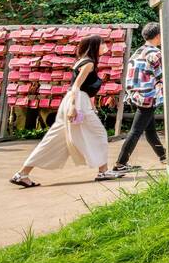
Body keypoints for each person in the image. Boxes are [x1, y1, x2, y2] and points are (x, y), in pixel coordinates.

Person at [10, 34, 113, 188]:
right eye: (103, 43)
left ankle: (22, 173)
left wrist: (89, 105)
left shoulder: (83, 61)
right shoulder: (89, 63)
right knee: (99, 133)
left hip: (75, 101)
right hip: (77, 102)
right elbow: (76, 87)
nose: (105, 46)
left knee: (54, 139)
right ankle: (103, 171)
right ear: (95, 46)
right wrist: (74, 106)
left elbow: (81, 87)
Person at [108, 22, 169, 175]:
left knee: (149, 129)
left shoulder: (137, 52)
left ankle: (163, 156)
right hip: (148, 97)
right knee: (135, 131)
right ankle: (120, 163)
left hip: (135, 95)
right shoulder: (156, 54)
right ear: (158, 36)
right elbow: (162, 76)